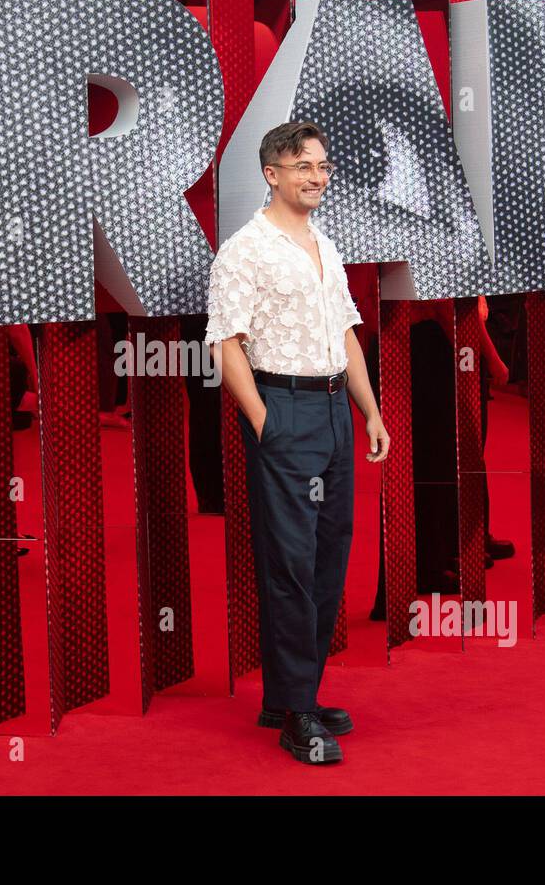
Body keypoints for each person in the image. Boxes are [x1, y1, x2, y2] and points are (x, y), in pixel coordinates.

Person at [205, 121, 388, 765]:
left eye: (323, 165)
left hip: (336, 409)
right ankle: (296, 715)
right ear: (271, 174)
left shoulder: (323, 246)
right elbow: (225, 345)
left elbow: (345, 335)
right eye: (303, 165)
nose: (318, 175)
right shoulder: (244, 251)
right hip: (283, 408)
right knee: (289, 566)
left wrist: (370, 412)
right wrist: (263, 420)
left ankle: (293, 694)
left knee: (328, 558)